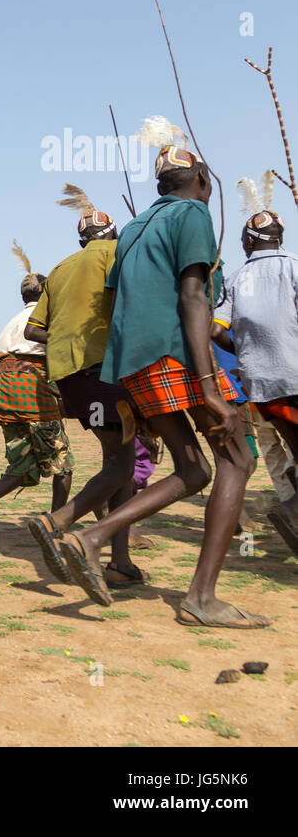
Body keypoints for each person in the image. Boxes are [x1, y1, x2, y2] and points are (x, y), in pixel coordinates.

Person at [59, 143, 267, 628]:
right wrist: (210, 382)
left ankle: (91, 539)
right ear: (199, 178)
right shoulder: (193, 213)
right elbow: (193, 295)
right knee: (238, 456)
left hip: (131, 361)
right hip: (172, 352)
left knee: (193, 470)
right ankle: (202, 598)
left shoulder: (134, 228)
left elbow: (124, 296)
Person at [20, 195, 142, 588]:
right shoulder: (118, 255)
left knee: (118, 463)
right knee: (121, 466)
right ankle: (58, 522)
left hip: (72, 380)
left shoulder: (59, 269)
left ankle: (120, 562)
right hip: (104, 374)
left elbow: (32, 330)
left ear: (82, 242)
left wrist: (69, 336)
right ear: (115, 235)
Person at [212, 208, 298, 556]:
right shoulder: (294, 266)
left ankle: (291, 507)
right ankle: (291, 509)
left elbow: (216, 328)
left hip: (258, 386)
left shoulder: (235, 278)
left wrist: (246, 353)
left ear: (248, 241)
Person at [0, 267, 73, 528]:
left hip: (5, 395)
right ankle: (55, 523)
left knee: (23, 463)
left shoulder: (12, 322)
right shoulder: (43, 320)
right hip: (32, 395)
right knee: (63, 464)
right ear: (48, 293)